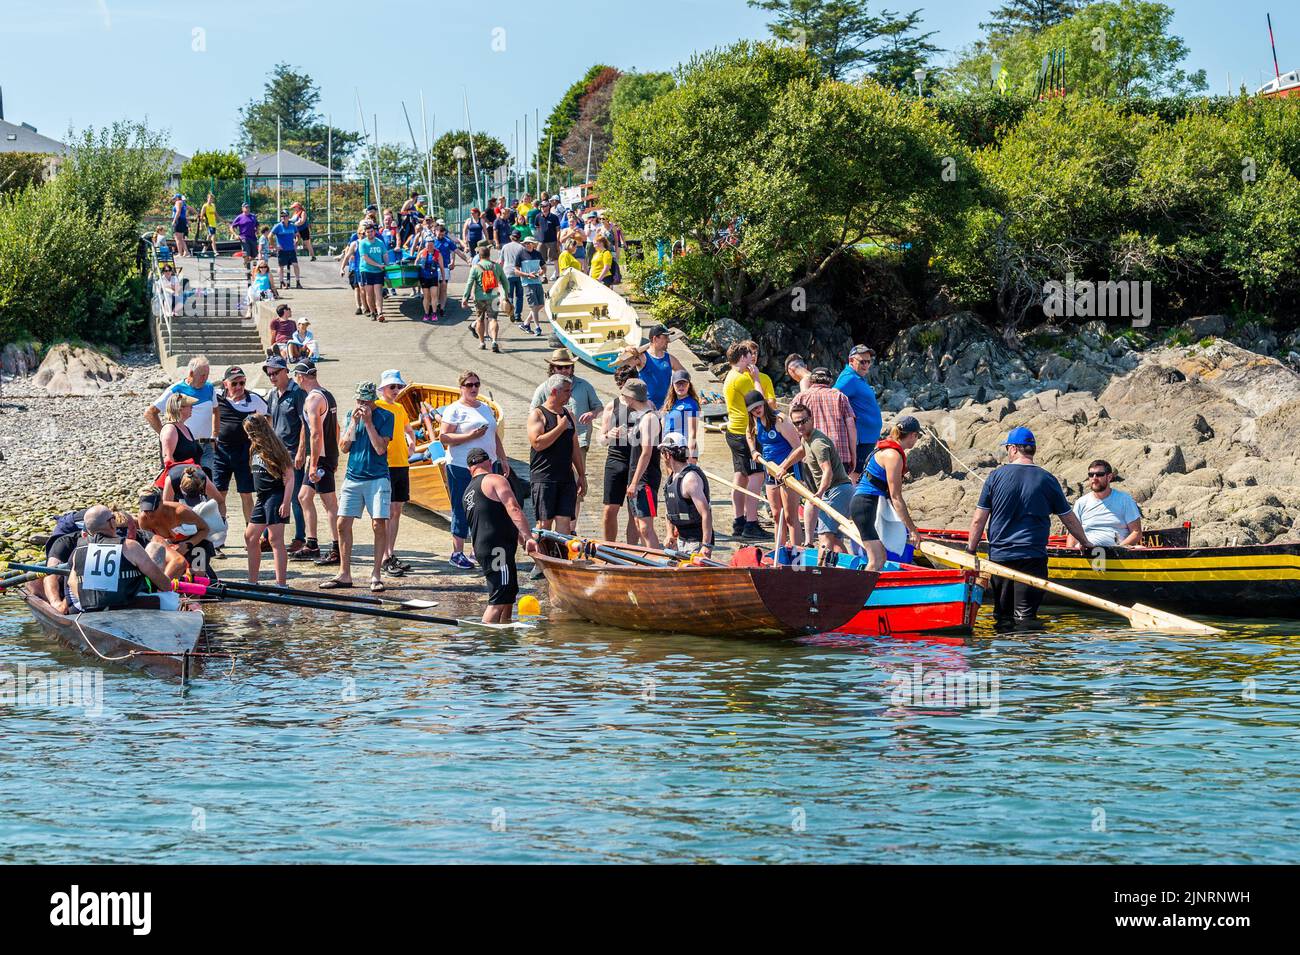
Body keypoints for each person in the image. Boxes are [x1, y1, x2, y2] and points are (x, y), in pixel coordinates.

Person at [965, 427, 1094, 631]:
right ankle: (1030, 658)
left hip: (1001, 557)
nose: (1007, 451)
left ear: (1014, 449)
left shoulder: (995, 477)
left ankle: (1004, 659)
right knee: (1026, 617)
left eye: (1008, 447)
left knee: (1003, 617)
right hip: (1033, 557)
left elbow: (978, 520)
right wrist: (1085, 543)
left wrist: (970, 551)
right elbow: (1068, 518)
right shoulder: (1047, 479)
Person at [322, 381, 393, 592]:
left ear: (373, 400)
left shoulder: (386, 416)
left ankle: (376, 574)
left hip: (378, 477)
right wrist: (353, 424)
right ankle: (344, 574)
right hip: (353, 477)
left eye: (365, 401)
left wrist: (369, 423)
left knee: (379, 523)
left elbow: (381, 449)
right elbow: (344, 447)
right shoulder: (350, 416)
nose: (361, 404)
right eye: (359, 400)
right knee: (342, 523)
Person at [441, 370, 509, 570]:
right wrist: (470, 436)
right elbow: (444, 438)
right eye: (469, 385)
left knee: (484, 508)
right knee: (461, 506)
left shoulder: (486, 408)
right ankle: (457, 552)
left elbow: (494, 435)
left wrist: (503, 458)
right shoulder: (454, 410)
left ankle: (477, 549)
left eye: (476, 384)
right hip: (461, 466)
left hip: (489, 465)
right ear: (461, 388)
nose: (473, 388)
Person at [463, 447, 538, 624]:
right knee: (498, 598)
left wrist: (520, 539)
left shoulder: (468, 491)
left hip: (486, 547)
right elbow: (513, 508)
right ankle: (487, 643)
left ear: (470, 469)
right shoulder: (495, 479)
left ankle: (505, 635)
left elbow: (499, 516)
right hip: (497, 549)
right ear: (489, 463)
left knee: (509, 593)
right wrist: (529, 538)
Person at [776, 408, 854, 563]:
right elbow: (801, 450)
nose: (800, 426)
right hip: (840, 490)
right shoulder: (807, 438)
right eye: (796, 423)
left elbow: (827, 471)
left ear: (811, 419)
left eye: (803, 421)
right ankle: (848, 568)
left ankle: (821, 570)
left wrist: (819, 493)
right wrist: (784, 466)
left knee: (824, 536)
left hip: (836, 490)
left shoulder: (818, 443)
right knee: (836, 539)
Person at [67, 506, 180, 613]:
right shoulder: (130, 546)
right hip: (130, 606)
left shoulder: (79, 550)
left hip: (92, 609)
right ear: (112, 523)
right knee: (170, 597)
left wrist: (89, 600)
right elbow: (165, 585)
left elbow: (71, 582)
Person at [850, 415, 923, 572]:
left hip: (866, 504)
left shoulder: (885, 450)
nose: (916, 440)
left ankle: (868, 592)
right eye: (917, 436)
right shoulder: (893, 455)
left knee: (880, 556)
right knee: (876, 560)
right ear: (913, 435)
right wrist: (913, 530)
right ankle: (860, 594)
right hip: (866, 505)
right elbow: (896, 497)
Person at [292, 361, 340, 565]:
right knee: (304, 496)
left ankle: (337, 547)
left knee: (329, 503)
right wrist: (334, 453)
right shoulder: (327, 394)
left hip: (320, 458)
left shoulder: (312, 399)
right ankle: (312, 544)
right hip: (324, 455)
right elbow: (336, 427)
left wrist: (314, 464)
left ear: (300, 377)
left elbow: (316, 432)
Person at [530, 347, 603, 478]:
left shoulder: (584, 385)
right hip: (553, 442)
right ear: (552, 368)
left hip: (579, 439)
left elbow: (599, 407)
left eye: (567, 367)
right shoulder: (543, 388)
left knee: (575, 479)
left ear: (572, 367)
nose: (564, 370)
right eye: (559, 367)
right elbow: (533, 413)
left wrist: (592, 414)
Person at [527, 374, 586, 536]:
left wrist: (581, 475)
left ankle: (558, 560)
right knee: (544, 524)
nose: (570, 395)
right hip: (544, 477)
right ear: (554, 391)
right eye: (567, 391)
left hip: (566, 478)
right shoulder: (538, 414)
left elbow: (574, 446)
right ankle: (541, 560)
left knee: (565, 524)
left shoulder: (569, 415)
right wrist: (560, 428)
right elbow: (537, 443)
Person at [721, 342, 769, 540]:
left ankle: (738, 520)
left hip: (735, 430)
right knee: (756, 477)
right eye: (750, 355)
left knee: (740, 476)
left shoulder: (730, 376)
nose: (753, 358)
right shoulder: (741, 378)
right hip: (745, 433)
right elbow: (761, 400)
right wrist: (756, 378)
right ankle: (751, 522)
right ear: (742, 358)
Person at [746, 390, 804, 548]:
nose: (757, 410)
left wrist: (783, 467)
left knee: (790, 516)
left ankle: (796, 556)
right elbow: (749, 434)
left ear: (764, 403)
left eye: (759, 406)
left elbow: (799, 448)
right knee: (777, 515)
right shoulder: (754, 420)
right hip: (770, 471)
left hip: (788, 470)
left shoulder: (780, 420)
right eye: (753, 409)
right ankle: (779, 553)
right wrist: (753, 450)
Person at [243, 413, 295, 588]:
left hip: (275, 495)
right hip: (262, 497)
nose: (249, 436)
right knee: (250, 536)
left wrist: (286, 502)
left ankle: (281, 584)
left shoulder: (275, 447)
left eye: (251, 432)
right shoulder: (254, 448)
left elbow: (289, 476)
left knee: (275, 539)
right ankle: (252, 581)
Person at [212, 365, 268, 526]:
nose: (238, 387)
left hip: (244, 452)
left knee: (246, 493)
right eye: (234, 383)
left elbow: (268, 417)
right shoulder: (217, 398)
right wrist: (211, 438)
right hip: (221, 451)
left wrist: (261, 441)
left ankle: (251, 532)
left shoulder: (254, 399)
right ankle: (219, 534)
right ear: (225, 384)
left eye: (242, 383)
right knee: (219, 493)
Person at [263, 356, 307, 555]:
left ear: (285, 371)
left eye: (275, 372)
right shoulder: (272, 394)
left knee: (296, 496)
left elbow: (305, 425)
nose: (271, 377)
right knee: (272, 494)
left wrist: (301, 452)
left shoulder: (298, 393)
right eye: (269, 373)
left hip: (292, 452)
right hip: (276, 453)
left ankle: (300, 537)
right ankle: (267, 536)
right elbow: (270, 422)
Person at [375, 369, 417, 577]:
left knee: (397, 510)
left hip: (402, 463)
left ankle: (390, 552)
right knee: (387, 511)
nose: (396, 390)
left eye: (398, 387)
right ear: (382, 388)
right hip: (386, 464)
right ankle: (384, 556)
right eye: (392, 387)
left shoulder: (399, 408)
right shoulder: (377, 406)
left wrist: (412, 443)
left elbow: (408, 429)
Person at [147, 356, 216, 475]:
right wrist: (167, 436)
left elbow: (216, 410)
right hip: (186, 448)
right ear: (191, 373)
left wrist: (215, 435)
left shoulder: (209, 387)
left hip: (207, 445)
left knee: (207, 481)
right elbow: (150, 413)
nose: (205, 378)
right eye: (202, 375)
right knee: (186, 483)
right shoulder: (177, 389)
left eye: (207, 374)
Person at [598, 363, 643, 544]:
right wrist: (610, 434)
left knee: (634, 511)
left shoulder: (646, 405)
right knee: (610, 509)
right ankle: (609, 547)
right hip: (616, 458)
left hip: (637, 460)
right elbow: (601, 440)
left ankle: (632, 549)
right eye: (622, 384)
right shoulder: (612, 406)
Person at [622, 378, 662, 550]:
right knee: (639, 525)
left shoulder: (649, 418)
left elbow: (646, 453)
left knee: (645, 527)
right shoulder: (641, 418)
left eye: (624, 396)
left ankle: (658, 564)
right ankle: (648, 560)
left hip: (645, 479)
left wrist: (634, 482)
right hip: (637, 477)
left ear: (631, 398)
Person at [660, 432, 714, 559]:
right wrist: (669, 534)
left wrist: (706, 545)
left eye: (662, 453)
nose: (661, 457)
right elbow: (669, 510)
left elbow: (706, 512)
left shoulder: (690, 479)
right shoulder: (672, 478)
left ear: (668, 454)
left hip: (697, 542)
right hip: (681, 539)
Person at [1066, 460, 1143, 547]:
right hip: (1085, 553)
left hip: (1116, 554)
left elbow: (1136, 532)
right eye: (1091, 475)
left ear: (1109, 477)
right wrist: (1069, 553)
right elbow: (1073, 533)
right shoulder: (1081, 502)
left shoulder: (1124, 500)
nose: (1094, 478)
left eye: (1099, 474)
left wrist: (1118, 550)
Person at [835, 345, 883, 482]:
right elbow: (833, 396)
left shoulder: (857, 377)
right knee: (856, 473)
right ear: (851, 361)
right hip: (861, 438)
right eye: (862, 362)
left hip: (867, 437)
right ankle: (853, 502)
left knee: (860, 472)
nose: (866, 365)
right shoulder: (849, 378)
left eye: (868, 362)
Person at [461, 241, 507, 353]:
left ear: (479, 256)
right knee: (493, 319)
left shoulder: (475, 268)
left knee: (480, 319)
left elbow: (469, 283)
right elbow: (505, 282)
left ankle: (482, 343)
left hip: (479, 297)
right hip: (494, 296)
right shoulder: (496, 266)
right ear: (489, 255)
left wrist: (465, 298)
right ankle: (494, 341)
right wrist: (505, 296)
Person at [662, 370, 702, 462]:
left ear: (689, 385)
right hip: (669, 446)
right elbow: (665, 426)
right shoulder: (670, 403)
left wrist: (690, 454)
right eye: (678, 384)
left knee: (684, 476)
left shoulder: (691, 405)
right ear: (673, 385)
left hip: (684, 448)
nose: (681, 386)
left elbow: (692, 433)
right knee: (671, 476)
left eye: (684, 383)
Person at [516, 235, 547, 336]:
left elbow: (543, 267)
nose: (527, 245)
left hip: (537, 281)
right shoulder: (520, 254)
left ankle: (526, 324)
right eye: (526, 243)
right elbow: (516, 270)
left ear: (533, 244)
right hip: (527, 283)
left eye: (529, 243)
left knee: (541, 304)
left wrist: (541, 272)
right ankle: (537, 327)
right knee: (534, 306)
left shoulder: (537, 254)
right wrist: (527, 275)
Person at [357, 223, 387, 321]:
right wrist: (378, 265)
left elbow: (385, 254)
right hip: (366, 270)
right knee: (369, 293)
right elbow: (365, 258)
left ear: (374, 232)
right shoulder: (363, 243)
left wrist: (387, 265)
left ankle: (380, 313)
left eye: (371, 231)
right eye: (368, 232)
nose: (370, 233)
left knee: (378, 292)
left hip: (378, 271)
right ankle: (372, 312)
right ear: (365, 233)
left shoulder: (380, 242)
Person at [432, 222, 462, 318]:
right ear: (435, 232)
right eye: (439, 233)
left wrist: (467, 260)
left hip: (445, 268)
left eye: (443, 233)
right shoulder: (431, 241)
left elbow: (457, 252)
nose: (441, 235)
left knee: (443, 289)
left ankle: (442, 308)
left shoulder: (448, 242)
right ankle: (434, 306)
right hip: (434, 268)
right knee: (435, 289)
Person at [413, 237, 444, 323]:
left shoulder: (438, 254)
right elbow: (416, 261)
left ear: (433, 245)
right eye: (428, 245)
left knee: (434, 296)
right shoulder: (422, 252)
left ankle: (434, 314)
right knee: (426, 297)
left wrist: (443, 279)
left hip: (433, 277)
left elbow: (441, 267)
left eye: (431, 245)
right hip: (424, 278)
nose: (429, 246)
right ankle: (426, 314)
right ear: (425, 245)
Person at [499, 229, 526, 323]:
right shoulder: (522, 248)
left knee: (509, 295)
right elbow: (524, 262)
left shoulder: (505, 247)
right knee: (519, 295)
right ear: (519, 238)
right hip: (519, 273)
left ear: (511, 237)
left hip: (507, 272)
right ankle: (518, 315)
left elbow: (501, 262)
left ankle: (511, 312)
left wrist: (499, 275)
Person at [271, 209, 301, 290]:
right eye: (282, 216)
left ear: (288, 217)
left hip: (291, 249)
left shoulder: (292, 226)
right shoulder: (277, 226)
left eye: (285, 216)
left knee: (295, 265)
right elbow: (270, 236)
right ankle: (281, 282)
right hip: (282, 250)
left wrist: (296, 243)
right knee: (281, 266)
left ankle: (298, 282)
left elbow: (298, 235)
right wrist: (275, 246)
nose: (283, 217)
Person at [230, 203, 259, 279]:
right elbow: (231, 227)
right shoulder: (239, 217)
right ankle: (247, 272)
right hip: (244, 238)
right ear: (242, 208)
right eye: (245, 207)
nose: (247, 209)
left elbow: (257, 225)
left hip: (253, 238)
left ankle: (246, 263)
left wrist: (257, 231)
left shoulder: (253, 217)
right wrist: (235, 235)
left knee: (255, 254)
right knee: (246, 254)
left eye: (248, 207)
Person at [534, 198, 562, 277]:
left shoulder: (554, 217)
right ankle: (544, 276)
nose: (543, 208)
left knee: (555, 258)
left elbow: (558, 230)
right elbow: (537, 228)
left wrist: (557, 241)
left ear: (549, 207)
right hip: (541, 242)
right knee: (542, 259)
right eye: (541, 206)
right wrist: (538, 239)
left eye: (545, 206)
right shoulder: (538, 217)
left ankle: (557, 274)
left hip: (552, 241)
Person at [171, 193, 190, 258]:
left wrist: (174, 220)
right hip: (183, 220)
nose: (174, 199)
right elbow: (191, 208)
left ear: (177, 198)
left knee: (177, 238)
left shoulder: (178, 202)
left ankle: (180, 253)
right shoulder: (184, 203)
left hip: (179, 220)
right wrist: (197, 213)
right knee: (181, 238)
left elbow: (178, 211)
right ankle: (186, 252)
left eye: (174, 198)